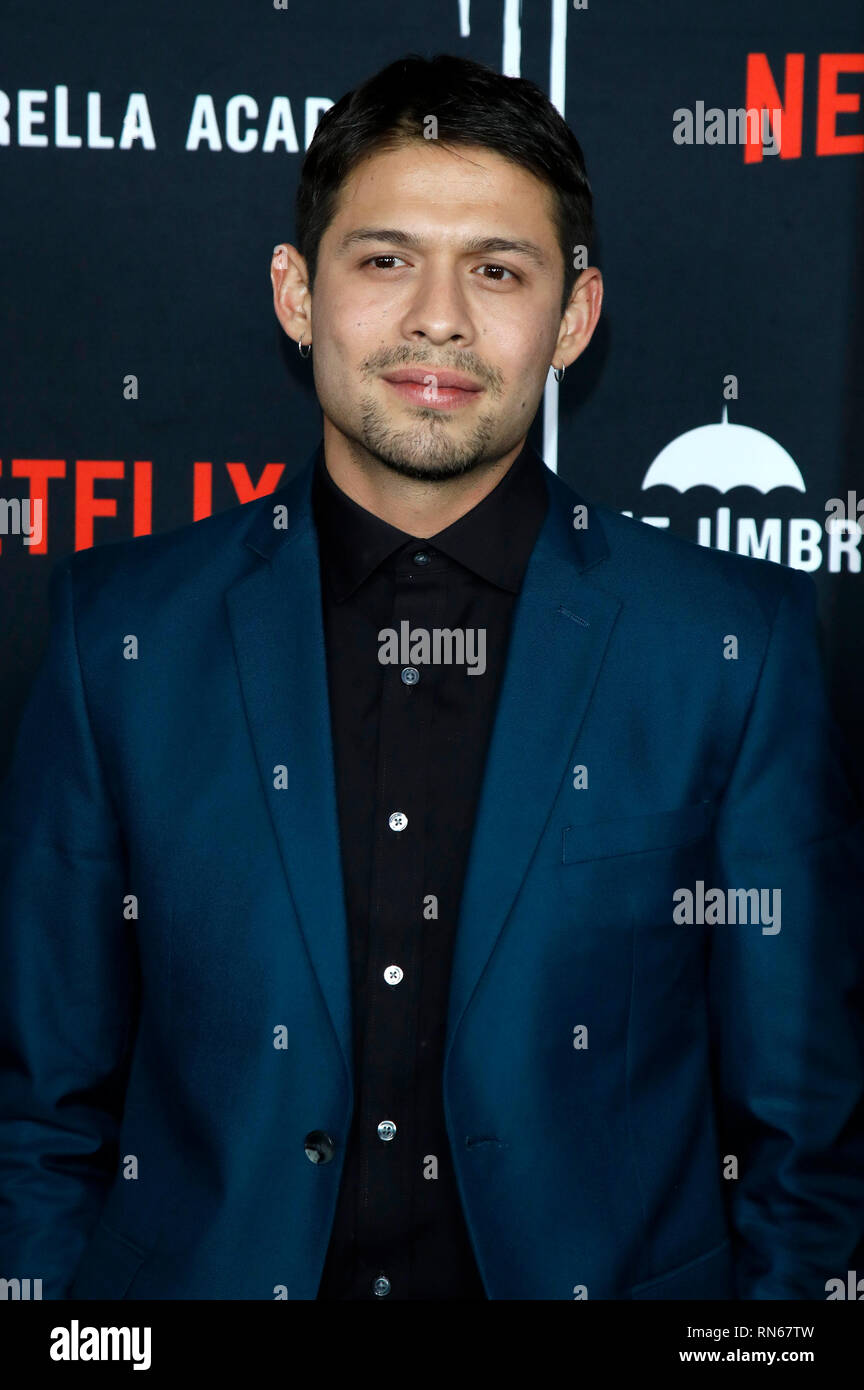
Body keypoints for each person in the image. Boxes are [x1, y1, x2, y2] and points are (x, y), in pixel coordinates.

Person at [1, 52, 862, 1302]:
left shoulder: (731, 650)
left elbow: (806, 1147)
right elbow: (38, 1117)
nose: (439, 318)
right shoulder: (118, 636)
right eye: (386, 258)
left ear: (573, 316)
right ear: (298, 293)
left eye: (499, 269)